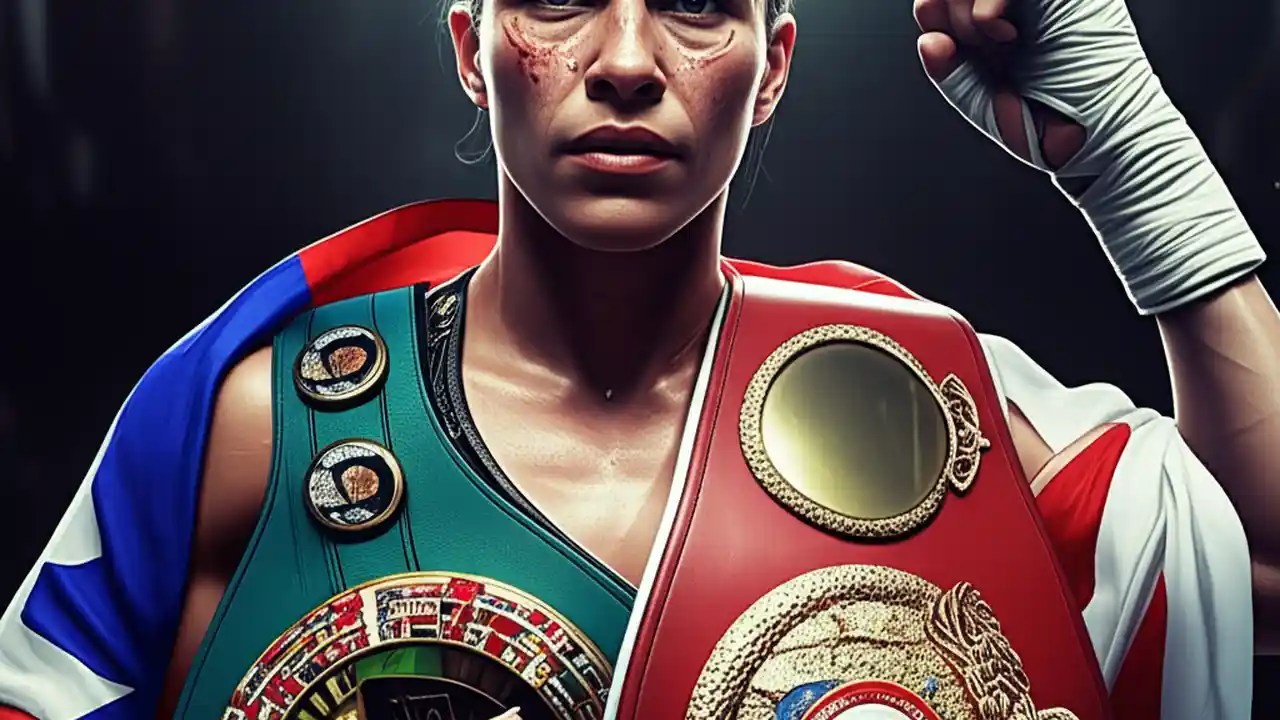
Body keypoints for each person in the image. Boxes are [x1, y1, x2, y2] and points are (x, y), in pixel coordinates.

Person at [0, 0, 1275, 718]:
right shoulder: (252, 423)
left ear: (774, 68)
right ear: (469, 47)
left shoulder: (937, 401)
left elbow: (1259, 564)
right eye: (558, 0)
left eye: (694, 7)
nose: (622, 63)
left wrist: (1124, 150)